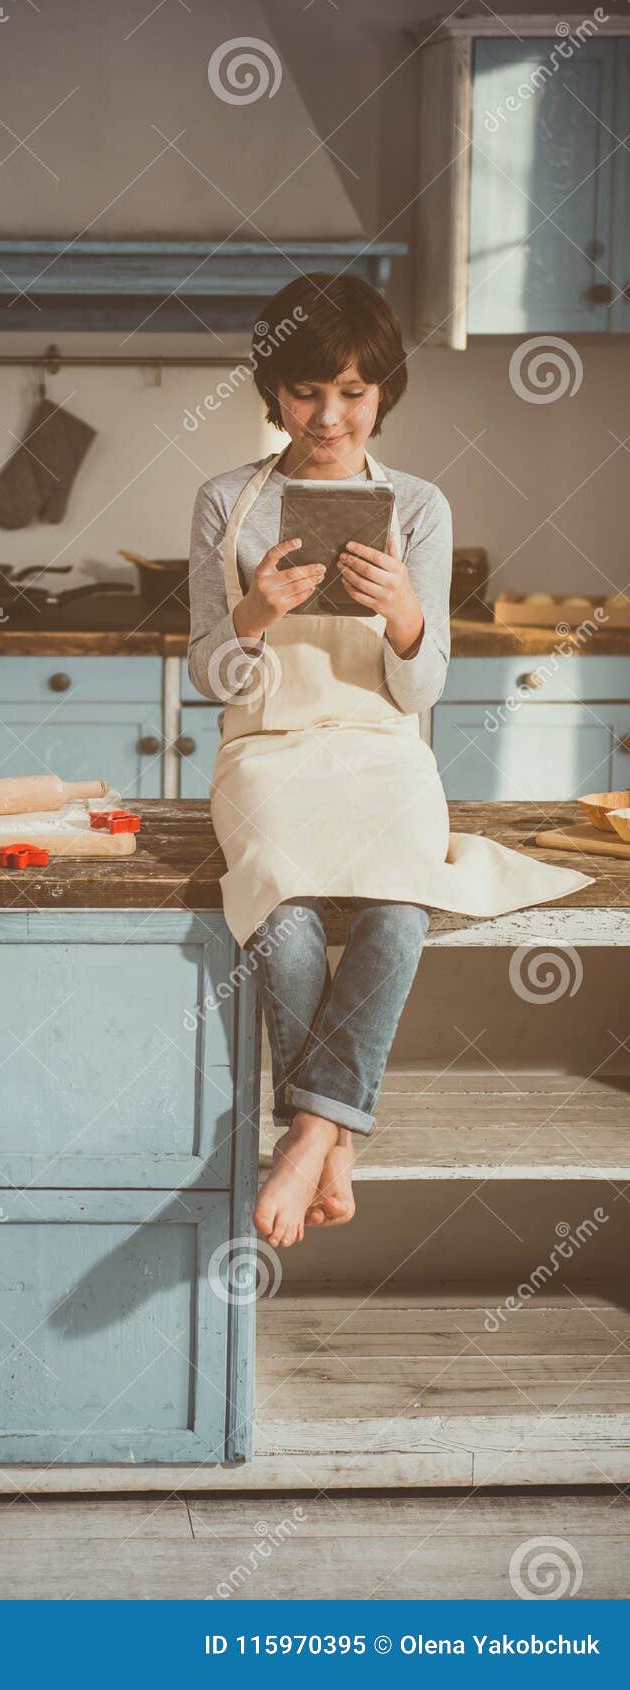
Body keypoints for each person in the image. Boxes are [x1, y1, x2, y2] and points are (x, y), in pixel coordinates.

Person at [187, 272, 593, 1251]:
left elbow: (422, 690)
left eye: (354, 392)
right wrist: (258, 612)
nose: (329, 415)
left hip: (383, 752)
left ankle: (311, 1132)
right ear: (272, 391)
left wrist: (406, 611)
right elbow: (209, 671)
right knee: (278, 918)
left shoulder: (418, 505)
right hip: (268, 752)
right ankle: (335, 1136)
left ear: (385, 393)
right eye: (305, 391)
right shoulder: (224, 502)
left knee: (399, 904)